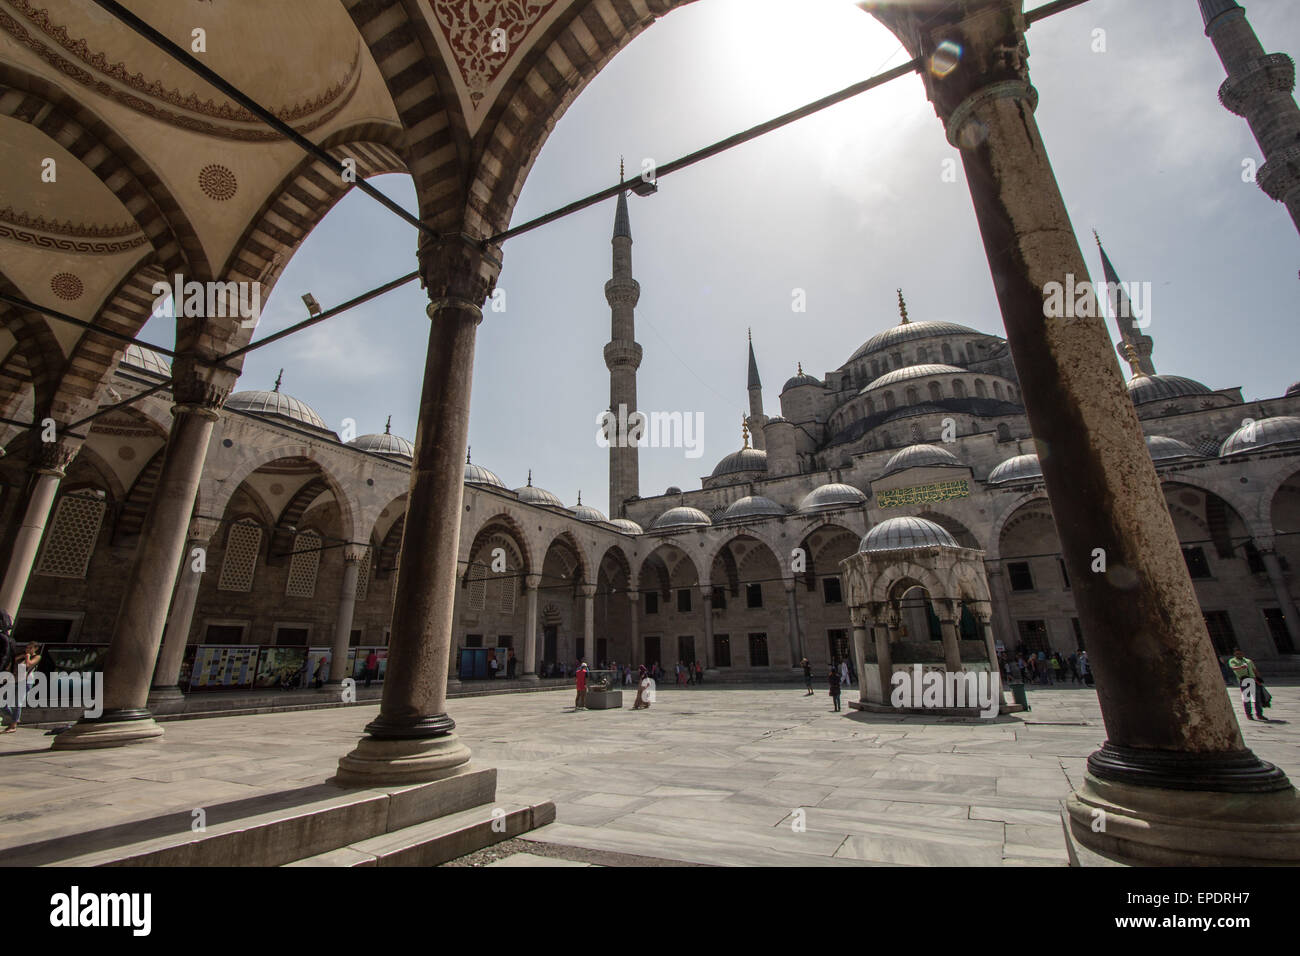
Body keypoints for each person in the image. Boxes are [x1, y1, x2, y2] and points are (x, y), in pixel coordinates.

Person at [2, 642, 39, 732]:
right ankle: (15, 718)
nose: (28, 650)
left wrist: (27, 656)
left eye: (30, 648)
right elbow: (10, 666)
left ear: (35, 649)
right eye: (27, 648)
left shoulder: (36, 657)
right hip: (13, 680)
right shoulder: (20, 656)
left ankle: (13, 726)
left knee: (17, 703)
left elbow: (28, 665)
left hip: (25, 682)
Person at [1227, 648, 1268, 721]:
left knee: (1257, 698)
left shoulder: (1248, 661)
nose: (1239, 655)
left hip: (1253, 680)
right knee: (1247, 699)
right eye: (1237, 654)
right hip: (1244, 680)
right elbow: (1233, 668)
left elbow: (1254, 670)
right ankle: (1249, 715)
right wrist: (1240, 667)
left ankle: (1259, 714)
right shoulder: (1233, 661)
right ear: (1234, 654)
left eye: (1240, 653)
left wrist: (1259, 679)